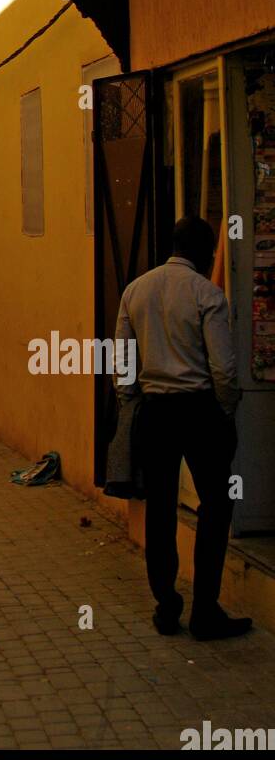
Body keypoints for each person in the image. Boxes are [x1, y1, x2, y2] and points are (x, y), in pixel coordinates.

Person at [115, 216, 251, 641]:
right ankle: (205, 610)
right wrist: (224, 411)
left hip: (156, 411)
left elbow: (122, 365)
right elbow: (224, 370)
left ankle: (167, 604)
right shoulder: (207, 294)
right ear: (207, 251)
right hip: (199, 410)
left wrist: (131, 401)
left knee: (160, 507)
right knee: (216, 505)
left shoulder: (135, 290)